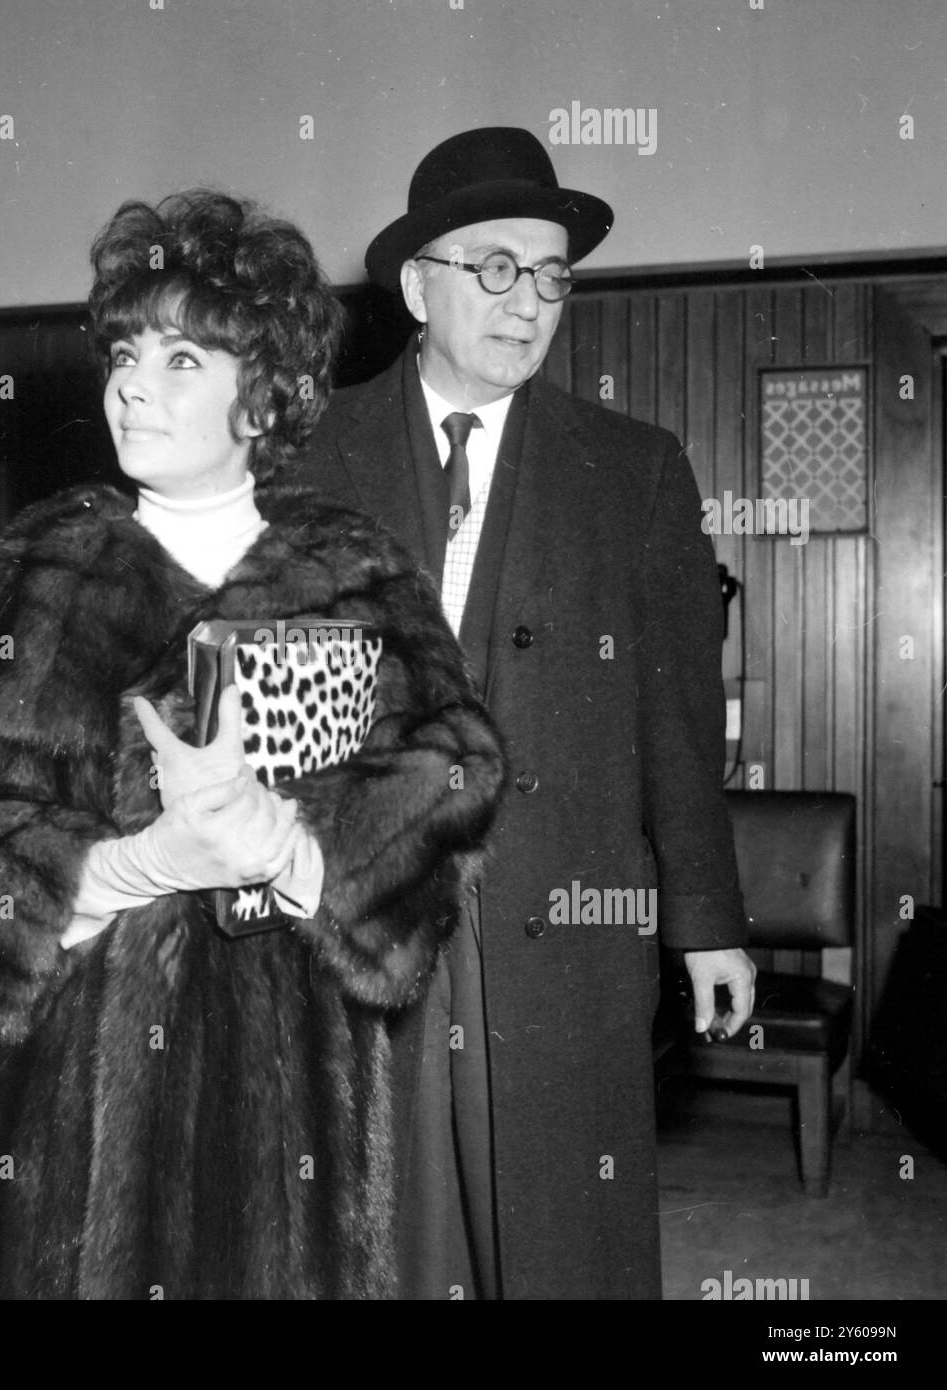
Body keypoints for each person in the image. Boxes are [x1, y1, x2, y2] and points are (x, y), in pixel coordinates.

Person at [0, 189, 505, 1299]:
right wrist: (137, 864)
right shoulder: (43, 572)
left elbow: (460, 764)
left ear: (263, 397)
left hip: (293, 1130)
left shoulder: (354, 571)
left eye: (182, 359)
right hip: (74, 1123)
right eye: (126, 349)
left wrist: (295, 840)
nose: (133, 379)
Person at [297, 126, 757, 1300]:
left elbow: (679, 719)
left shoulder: (634, 469)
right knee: (383, 1244)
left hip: (566, 926)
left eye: (551, 274)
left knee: (564, 1244)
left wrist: (705, 917)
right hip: (370, 926)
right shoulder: (310, 455)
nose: (530, 300)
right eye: (496, 266)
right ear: (417, 285)